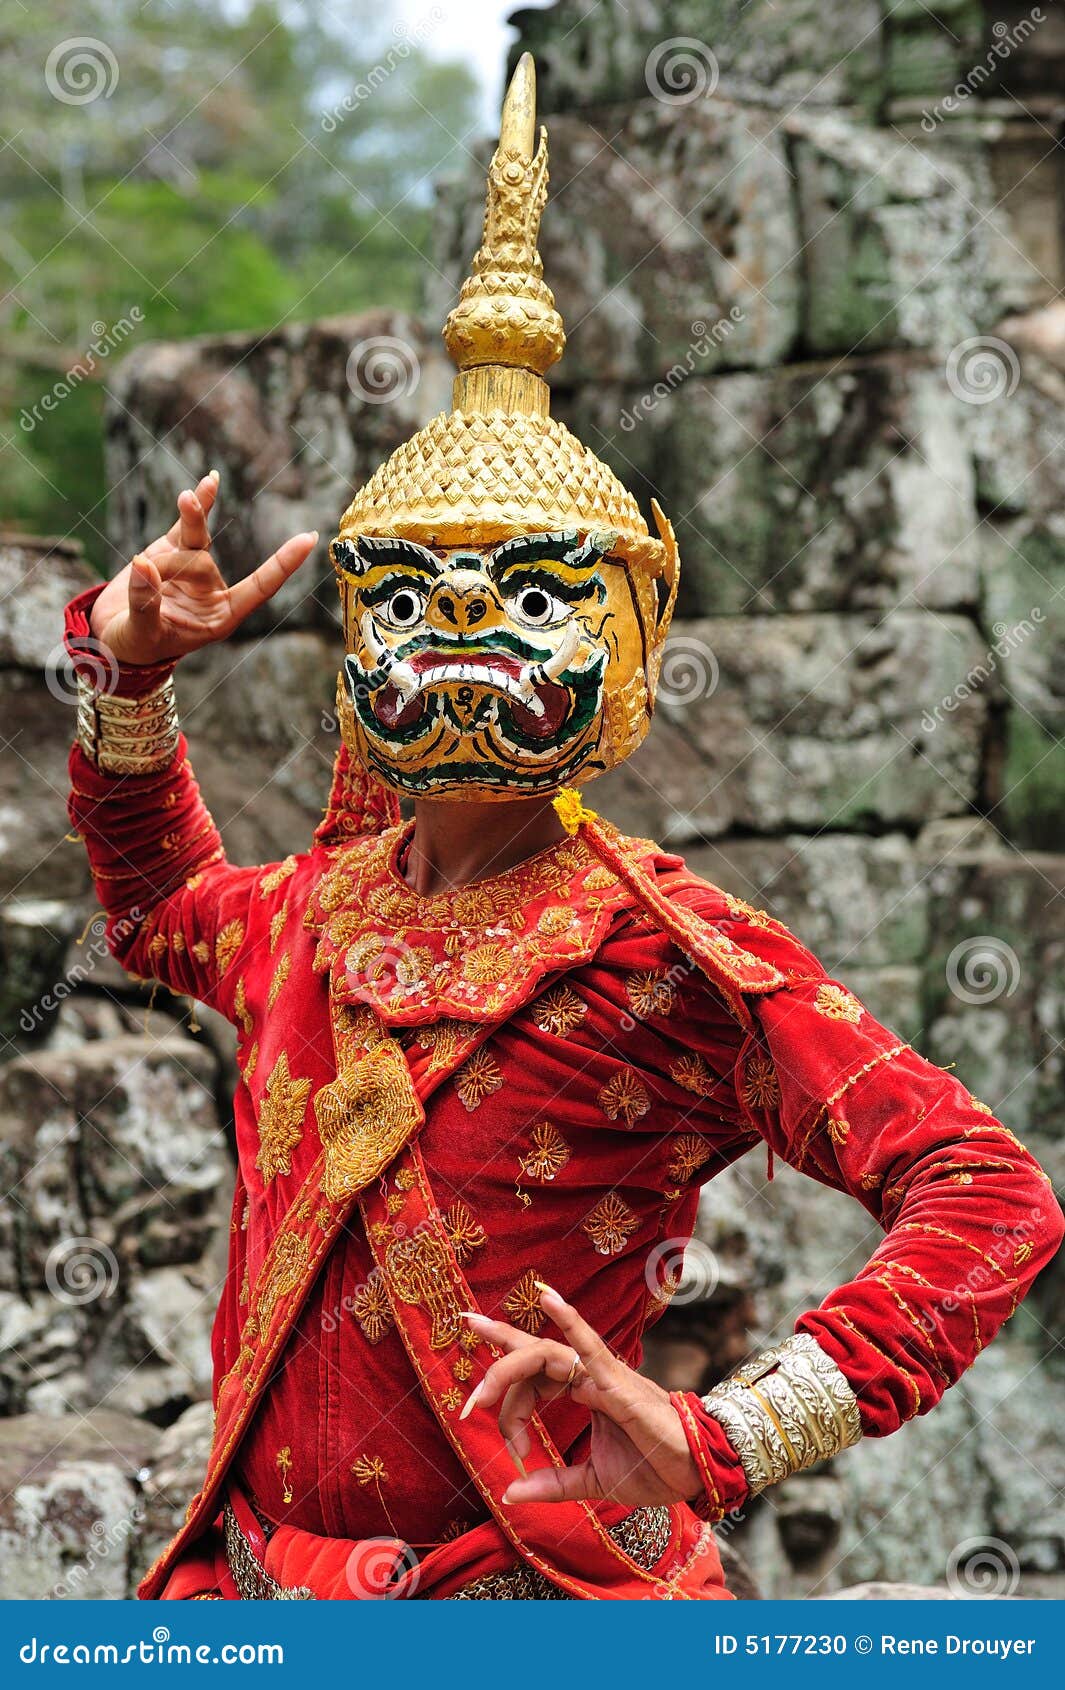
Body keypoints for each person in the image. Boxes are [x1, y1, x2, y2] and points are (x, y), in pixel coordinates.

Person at [65, 56, 1062, 1601]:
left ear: (629, 634)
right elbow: (156, 911)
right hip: (256, 1588)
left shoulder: (653, 952)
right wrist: (131, 672)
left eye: (531, 596)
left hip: (537, 1592)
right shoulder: (313, 909)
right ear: (354, 638)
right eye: (413, 596)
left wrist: (720, 1428)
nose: (461, 625)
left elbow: (987, 1193)